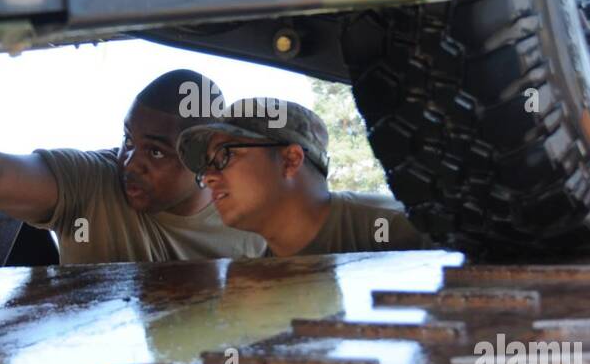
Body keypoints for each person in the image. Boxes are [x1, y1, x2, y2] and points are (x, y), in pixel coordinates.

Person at [0, 70, 266, 264]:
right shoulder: (91, 184)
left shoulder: (256, 218)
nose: (129, 163)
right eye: (126, 141)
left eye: (155, 152)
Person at [176, 98, 433, 256]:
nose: (209, 177)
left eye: (225, 155)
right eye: (207, 165)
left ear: (291, 160)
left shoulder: (401, 229)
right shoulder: (257, 282)